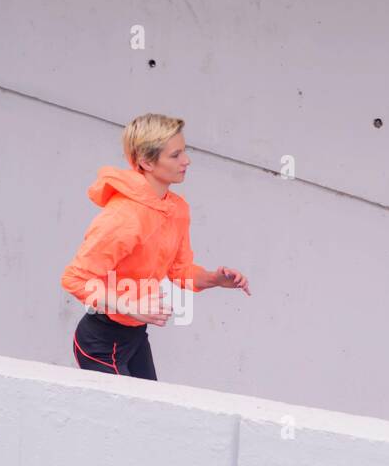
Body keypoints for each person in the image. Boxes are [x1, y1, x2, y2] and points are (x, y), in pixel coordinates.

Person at [60, 113, 250, 380]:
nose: (186, 161)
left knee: (151, 416)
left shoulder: (176, 209)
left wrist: (214, 279)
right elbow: (75, 279)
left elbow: (179, 270)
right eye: (175, 155)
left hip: (135, 337)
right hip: (100, 343)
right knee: (127, 418)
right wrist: (129, 305)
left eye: (185, 152)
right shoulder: (122, 218)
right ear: (147, 161)